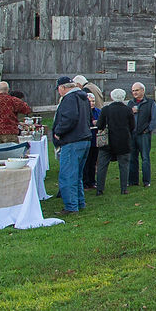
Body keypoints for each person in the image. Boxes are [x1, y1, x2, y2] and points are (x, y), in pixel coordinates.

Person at [52, 76, 92, 215]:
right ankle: (79, 203)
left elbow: (70, 117)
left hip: (72, 141)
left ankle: (71, 206)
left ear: (62, 87)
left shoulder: (69, 99)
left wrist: (58, 132)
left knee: (67, 175)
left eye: (58, 89)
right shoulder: (83, 98)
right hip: (85, 139)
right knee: (77, 175)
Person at [95, 88, 135, 195]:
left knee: (102, 166)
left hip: (107, 142)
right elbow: (132, 126)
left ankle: (100, 189)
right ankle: (124, 188)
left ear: (112, 97)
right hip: (123, 142)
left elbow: (100, 125)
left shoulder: (106, 109)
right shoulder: (128, 110)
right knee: (124, 166)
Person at [127, 82, 156, 188]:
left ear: (143, 91)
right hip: (132, 135)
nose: (134, 93)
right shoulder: (130, 103)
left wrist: (147, 130)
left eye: (137, 90)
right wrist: (130, 112)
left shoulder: (150, 103)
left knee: (145, 158)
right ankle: (133, 181)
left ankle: (146, 181)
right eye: (133, 91)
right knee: (132, 158)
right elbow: (125, 118)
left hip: (144, 135)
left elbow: (155, 120)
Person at [0, 81, 32, 145]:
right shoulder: (14, 101)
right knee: (11, 151)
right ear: (8, 90)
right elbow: (27, 109)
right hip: (10, 133)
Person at [83, 92, 100, 189]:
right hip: (87, 140)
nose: (92, 103)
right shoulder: (83, 112)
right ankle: (85, 182)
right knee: (86, 162)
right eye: (90, 101)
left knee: (93, 162)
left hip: (95, 140)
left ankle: (92, 181)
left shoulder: (98, 112)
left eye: (93, 101)